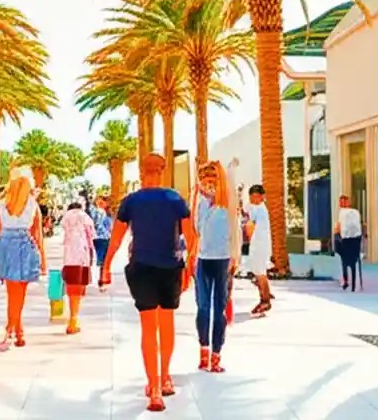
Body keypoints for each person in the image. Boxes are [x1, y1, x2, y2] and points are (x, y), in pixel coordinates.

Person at [101, 154, 196, 412]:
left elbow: (117, 238)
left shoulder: (131, 201)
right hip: (170, 268)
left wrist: (106, 265)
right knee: (166, 324)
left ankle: (154, 388)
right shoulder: (175, 199)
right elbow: (191, 236)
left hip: (141, 268)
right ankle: (165, 377)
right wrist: (190, 265)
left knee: (147, 328)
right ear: (163, 171)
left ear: (142, 172)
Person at [0, 166, 46, 346]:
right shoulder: (32, 205)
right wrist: (43, 260)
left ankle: (14, 325)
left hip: (6, 245)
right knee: (20, 290)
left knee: (12, 290)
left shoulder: (2, 204)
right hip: (24, 245)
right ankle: (16, 327)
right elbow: (38, 235)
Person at [193, 161, 241, 373]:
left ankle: (216, 355)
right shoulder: (199, 201)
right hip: (203, 259)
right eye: (204, 178)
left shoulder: (228, 203)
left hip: (223, 261)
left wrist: (235, 257)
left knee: (219, 310)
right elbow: (195, 228)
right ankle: (203, 350)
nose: (208, 182)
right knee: (203, 307)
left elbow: (235, 231)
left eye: (213, 177)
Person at [59, 200, 95, 335]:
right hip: (83, 256)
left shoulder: (66, 217)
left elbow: (64, 229)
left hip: (69, 256)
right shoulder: (85, 217)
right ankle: (74, 318)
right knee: (78, 290)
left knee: (71, 287)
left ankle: (72, 318)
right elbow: (91, 236)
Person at [244, 184, 273, 315]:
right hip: (257, 244)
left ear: (262, 197)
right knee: (258, 273)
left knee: (261, 274)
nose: (254, 199)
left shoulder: (258, 209)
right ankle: (264, 295)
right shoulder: (257, 208)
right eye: (252, 197)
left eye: (257, 196)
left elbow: (250, 226)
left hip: (260, 245)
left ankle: (265, 300)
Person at [334, 194, 364, 291]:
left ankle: (345, 280)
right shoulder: (355, 213)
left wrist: (336, 234)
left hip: (346, 243)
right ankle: (351, 280)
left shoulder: (343, 213)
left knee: (343, 258)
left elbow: (338, 228)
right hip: (354, 243)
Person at [89, 196, 112, 289]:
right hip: (101, 238)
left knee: (102, 260)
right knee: (102, 260)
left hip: (102, 238)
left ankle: (102, 279)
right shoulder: (98, 211)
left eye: (102, 202)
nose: (100, 204)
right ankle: (102, 280)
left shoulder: (106, 214)